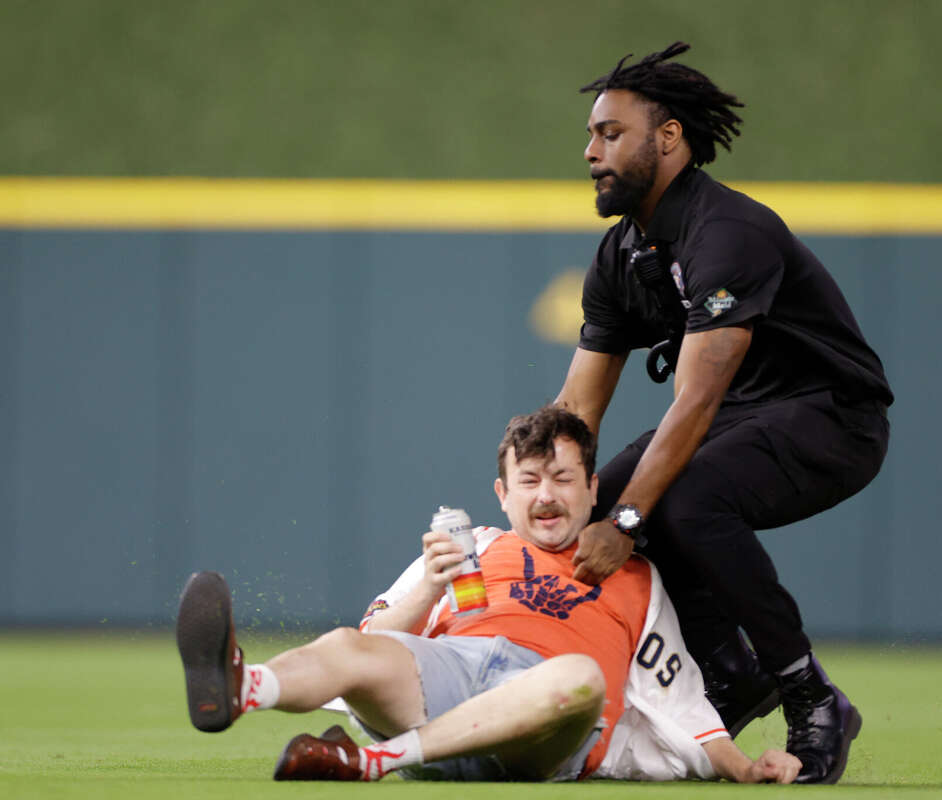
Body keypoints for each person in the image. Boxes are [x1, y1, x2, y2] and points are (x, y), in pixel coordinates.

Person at [555, 42, 893, 784]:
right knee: (603, 500)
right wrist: (540, 495)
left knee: (683, 499)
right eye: (590, 135)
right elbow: (577, 408)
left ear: (668, 136)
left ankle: (813, 698)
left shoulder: (728, 232)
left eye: (611, 133)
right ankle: (730, 673)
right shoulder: (623, 252)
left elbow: (698, 399)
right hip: (740, 418)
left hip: (833, 416)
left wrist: (628, 525)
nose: (590, 151)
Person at [176, 406, 800, 783]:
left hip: (542, 723)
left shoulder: (635, 578)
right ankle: (243, 686)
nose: (546, 495)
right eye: (528, 481)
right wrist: (430, 581)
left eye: (562, 479)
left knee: (578, 676)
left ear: (591, 490)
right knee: (345, 644)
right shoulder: (473, 543)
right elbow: (374, 644)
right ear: (503, 495)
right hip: (451, 678)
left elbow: (680, 703)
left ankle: (376, 762)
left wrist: (746, 768)